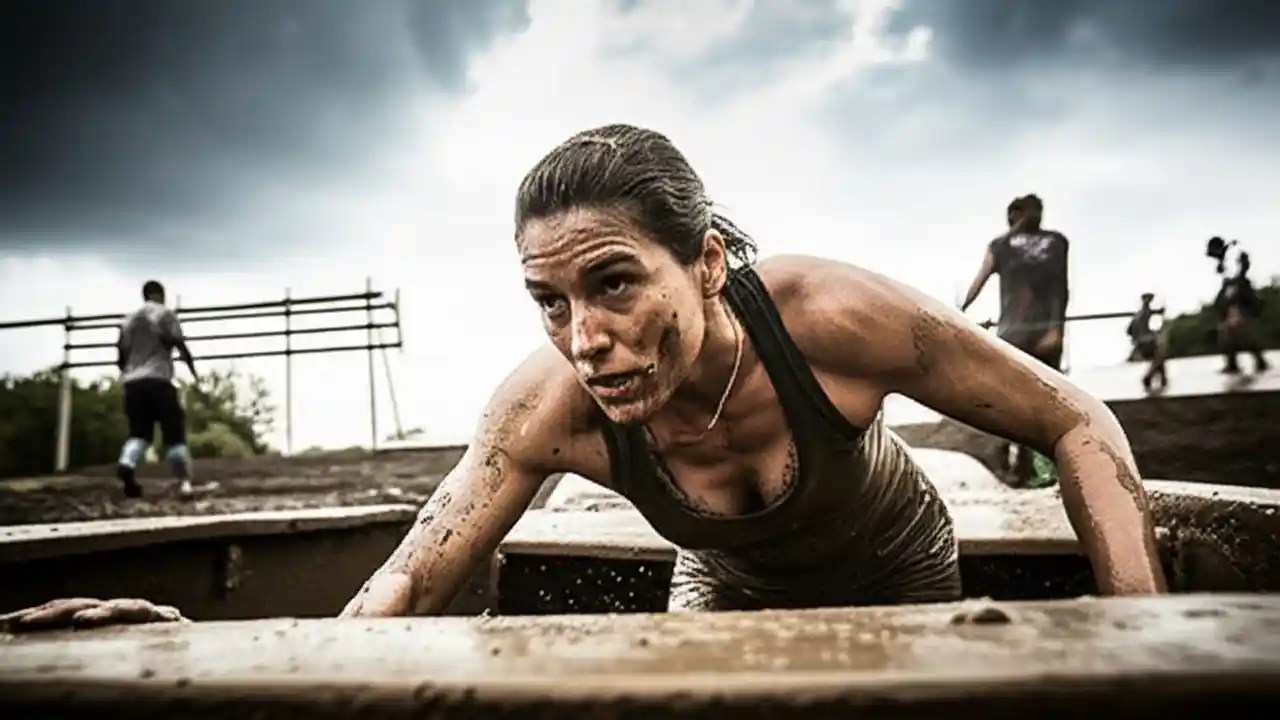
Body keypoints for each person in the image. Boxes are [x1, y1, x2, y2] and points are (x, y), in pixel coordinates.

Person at [0, 124, 1165, 633]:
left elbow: (1071, 417)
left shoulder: (831, 318)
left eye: (612, 284)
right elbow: (404, 587)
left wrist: (1145, 637)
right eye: (548, 301)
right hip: (723, 590)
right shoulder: (540, 407)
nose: (583, 337)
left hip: (900, 562)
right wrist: (204, 651)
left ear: (706, 264)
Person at [960, 194, 1071, 487]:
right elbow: (979, 279)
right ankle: (1015, 465)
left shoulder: (1055, 242)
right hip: (1013, 334)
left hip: (1044, 332)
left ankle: (1040, 469)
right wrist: (960, 312)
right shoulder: (1001, 245)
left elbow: (1061, 286)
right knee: (1012, 403)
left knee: (1045, 402)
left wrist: (1056, 330)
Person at [113, 280, 211, 499]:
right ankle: (184, 483)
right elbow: (179, 344)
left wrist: (131, 371)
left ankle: (126, 463)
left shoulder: (127, 321)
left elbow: (120, 357)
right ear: (161, 294)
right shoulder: (165, 314)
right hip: (159, 380)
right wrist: (194, 373)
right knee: (174, 432)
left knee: (139, 433)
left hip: (132, 382)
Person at [1210, 243, 1269, 375]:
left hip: (1241, 309)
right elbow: (1223, 273)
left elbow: (1242, 270)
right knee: (1228, 339)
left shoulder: (1241, 280)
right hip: (1233, 310)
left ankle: (1258, 362)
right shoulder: (1229, 280)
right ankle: (1233, 364)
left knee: (1247, 338)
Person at [1126, 293, 1167, 392]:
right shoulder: (1144, 313)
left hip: (1140, 342)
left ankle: (1161, 379)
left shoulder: (1138, 315)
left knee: (1158, 358)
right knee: (1158, 358)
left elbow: (1129, 331)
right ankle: (1150, 377)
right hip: (1145, 341)